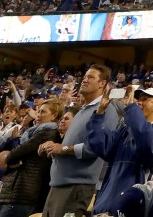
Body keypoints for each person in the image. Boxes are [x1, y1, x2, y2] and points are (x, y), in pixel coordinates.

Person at [38, 65, 120, 217]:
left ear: (102, 83)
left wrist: (62, 149)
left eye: (90, 77)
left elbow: (96, 148)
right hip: (58, 185)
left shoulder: (107, 109)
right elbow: (68, 145)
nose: (85, 80)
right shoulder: (82, 110)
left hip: (76, 187)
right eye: (84, 77)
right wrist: (53, 148)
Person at [86, 85, 153, 217]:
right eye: (137, 100)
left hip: (132, 206)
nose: (138, 102)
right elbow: (98, 144)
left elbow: (149, 150)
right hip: (105, 204)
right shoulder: (124, 130)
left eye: (145, 99)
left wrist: (131, 108)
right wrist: (100, 111)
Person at [0, 99, 63, 217]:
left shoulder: (47, 133)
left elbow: (12, 155)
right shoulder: (35, 132)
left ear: (54, 115)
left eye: (43, 112)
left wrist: (12, 158)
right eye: (38, 111)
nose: (38, 115)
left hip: (23, 193)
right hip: (17, 192)